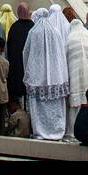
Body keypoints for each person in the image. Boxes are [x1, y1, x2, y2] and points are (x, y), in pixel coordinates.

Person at [24, 8, 69, 140]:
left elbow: (26, 53)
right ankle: (57, 130)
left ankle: (41, 131)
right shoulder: (56, 32)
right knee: (55, 107)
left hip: (37, 75)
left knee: (39, 107)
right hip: (56, 75)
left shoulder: (33, 32)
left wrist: (28, 71)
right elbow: (61, 54)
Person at [64, 18, 88, 135]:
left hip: (76, 75)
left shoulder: (69, 39)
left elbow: (65, 59)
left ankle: (75, 130)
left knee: (77, 105)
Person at [5, 4, 34, 105]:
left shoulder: (14, 27)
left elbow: (9, 46)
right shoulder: (33, 26)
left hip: (16, 65)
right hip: (30, 65)